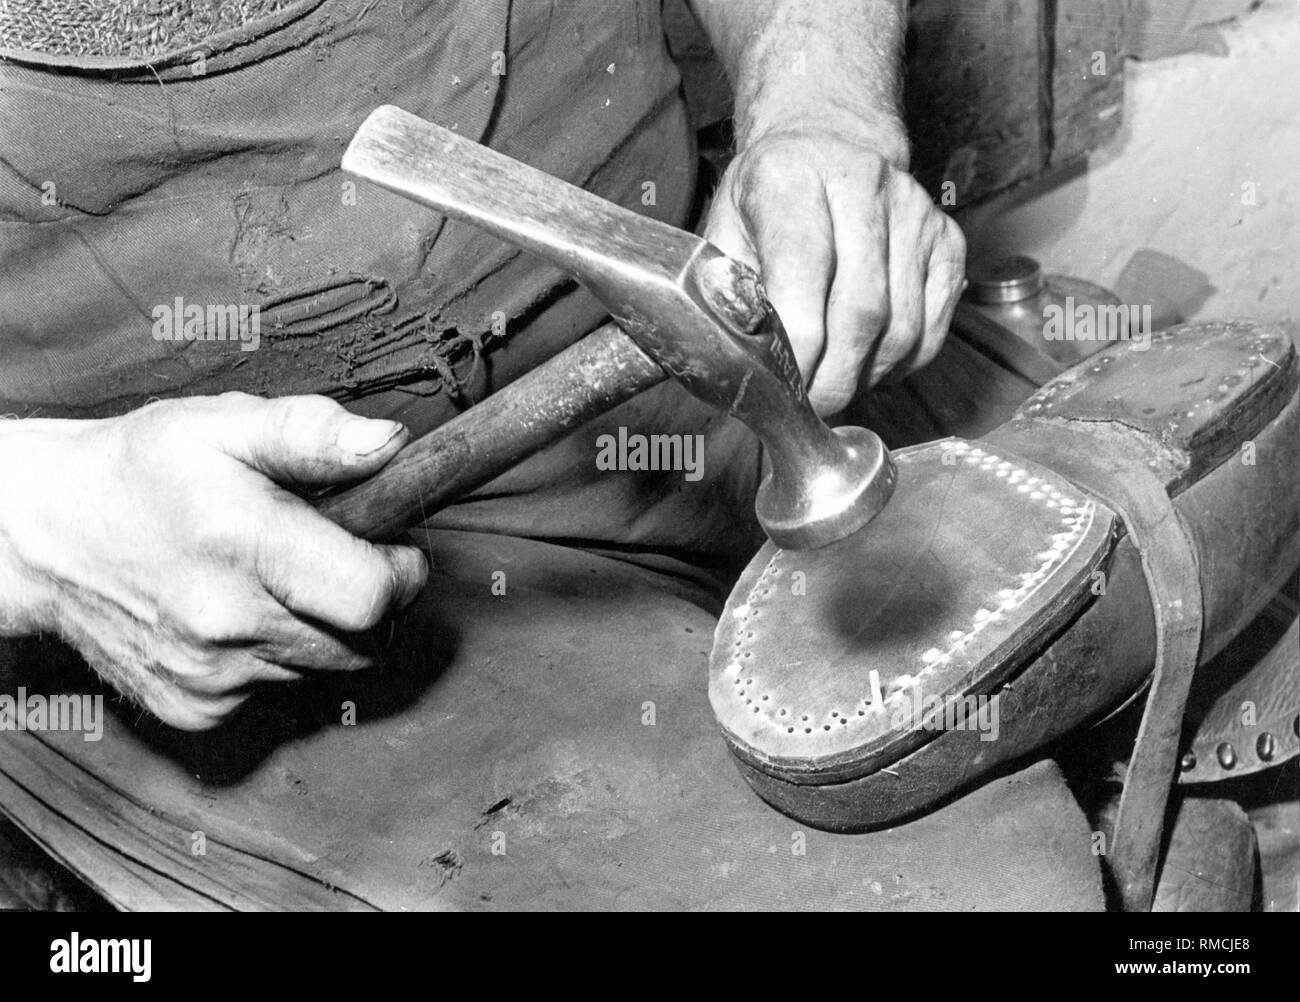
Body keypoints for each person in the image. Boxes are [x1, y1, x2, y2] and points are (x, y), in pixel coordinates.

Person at [0, 2, 1107, 912]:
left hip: (705, 326)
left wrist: (819, 106)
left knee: (1189, 542)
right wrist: (40, 532)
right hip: (181, 560)